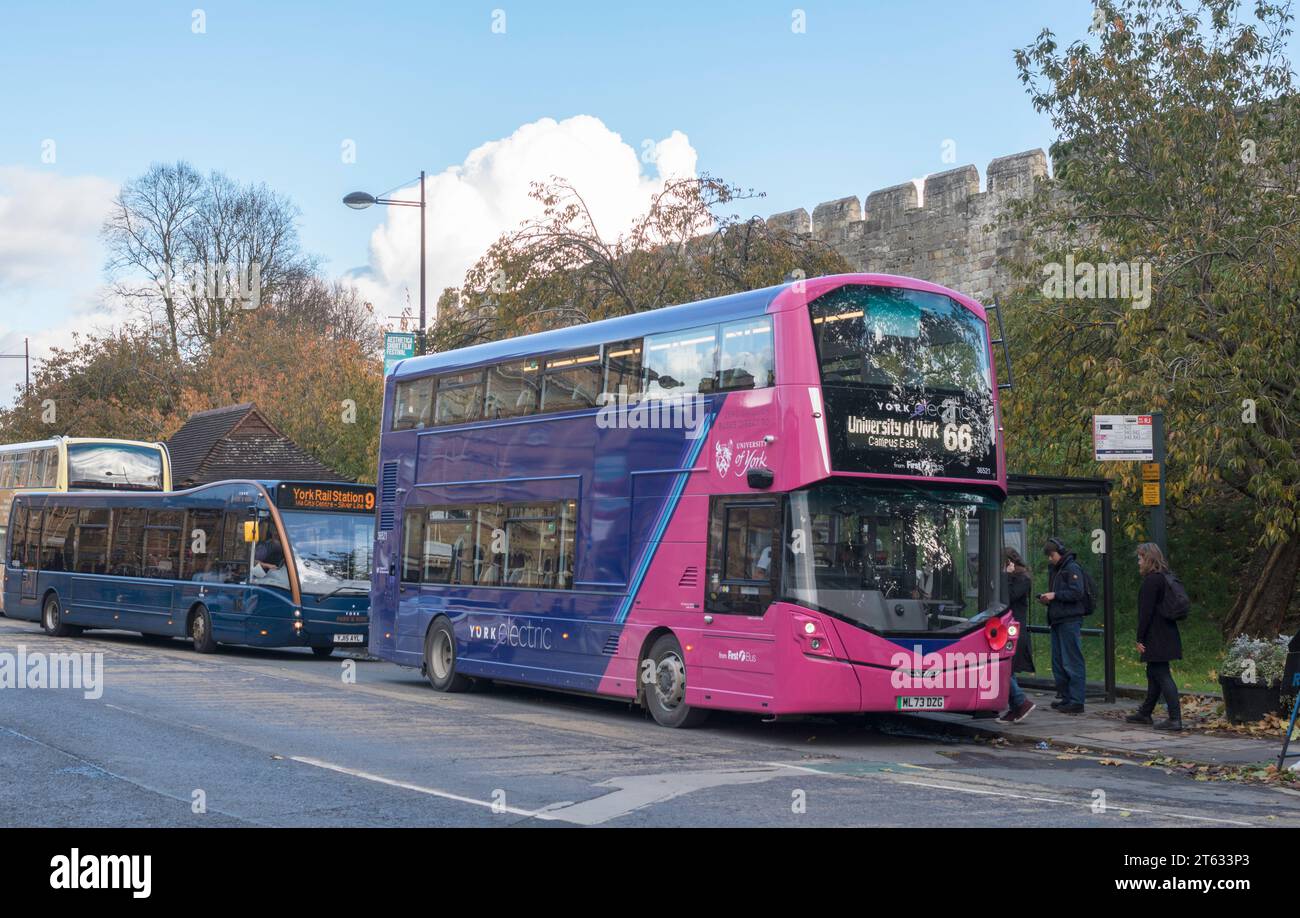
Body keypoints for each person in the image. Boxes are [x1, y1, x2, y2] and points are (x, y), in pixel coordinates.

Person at [1125, 542, 1183, 731]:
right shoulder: (1165, 577)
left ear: (1148, 559)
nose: (1138, 562)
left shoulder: (1151, 581)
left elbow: (1146, 612)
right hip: (1167, 632)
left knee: (1161, 674)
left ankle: (1175, 718)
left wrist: (1140, 638)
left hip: (1156, 635)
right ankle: (1145, 712)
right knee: (1154, 673)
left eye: (1140, 558)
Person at [1040, 537, 1087, 714]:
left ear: (1059, 552)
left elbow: (1077, 592)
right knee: (1058, 661)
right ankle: (1066, 697)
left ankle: (1076, 700)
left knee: (1072, 660)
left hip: (1069, 619)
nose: (1050, 559)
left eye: (1051, 555)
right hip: (1058, 619)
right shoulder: (1057, 569)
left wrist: (1055, 596)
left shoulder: (1071, 568)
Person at [996, 547, 1036, 723]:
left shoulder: (1022, 579)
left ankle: (1021, 702)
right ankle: (1015, 707)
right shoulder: (1013, 578)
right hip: (1005, 628)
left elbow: (1009, 597)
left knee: (1004, 668)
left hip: (1014, 629)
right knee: (1005, 668)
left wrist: (1005, 575)